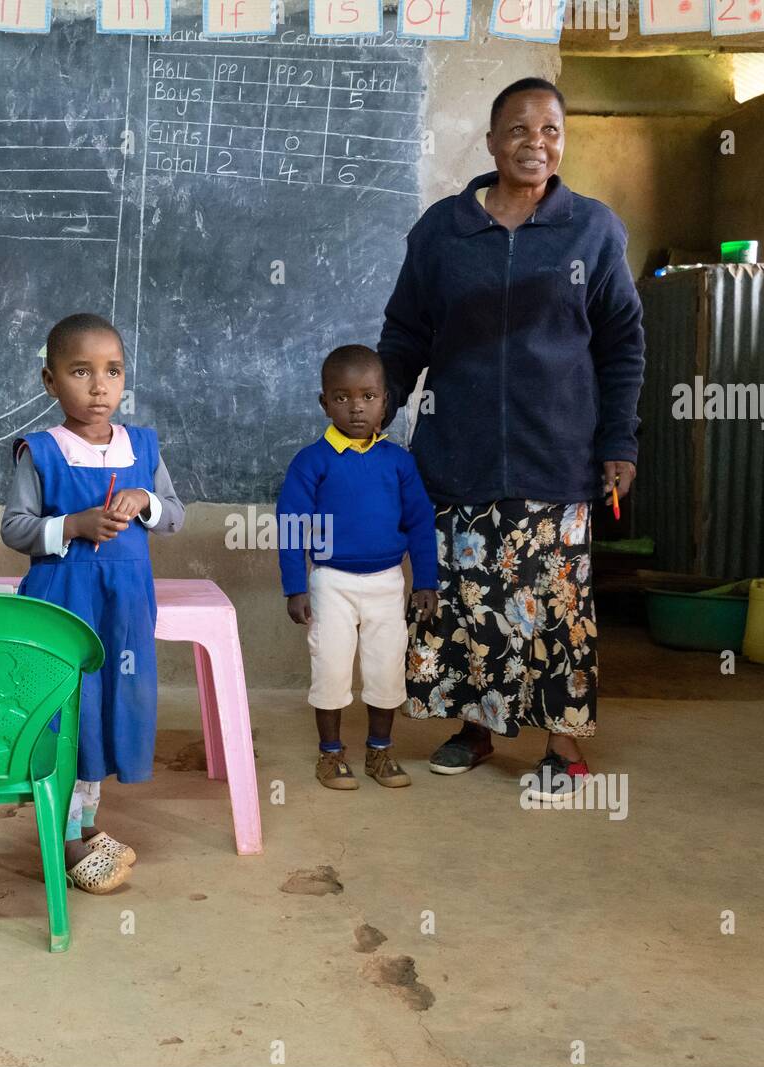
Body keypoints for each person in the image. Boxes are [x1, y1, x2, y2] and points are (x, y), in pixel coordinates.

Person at [377, 77, 645, 800]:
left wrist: (619, 442)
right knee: (465, 603)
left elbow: (623, 343)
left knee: (556, 610)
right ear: (492, 141)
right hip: (457, 452)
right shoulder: (443, 231)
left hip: (558, 456)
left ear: (563, 142)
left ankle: (564, 747)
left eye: (552, 130)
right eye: (520, 130)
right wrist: (378, 408)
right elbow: (405, 333)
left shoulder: (592, 229)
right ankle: (475, 728)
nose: (537, 143)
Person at [1, 313, 183, 891]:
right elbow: (13, 527)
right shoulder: (43, 452)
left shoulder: (143, 446)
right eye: (81, 372)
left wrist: (146, 500)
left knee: (109, 712)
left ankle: (84, 825)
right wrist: (73, 525)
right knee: (64, 715)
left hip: (124, 610)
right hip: (63, 602)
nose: (99, 386)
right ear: (50, 381)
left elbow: (175, 516)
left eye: (112, 371)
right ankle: (64, 841)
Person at [276, 345, 438, 790]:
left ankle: (380, 753)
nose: (356, 407)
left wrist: (425, 580)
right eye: (342, 397)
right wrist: (295, 586)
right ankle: (330, 756)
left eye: (368, 396)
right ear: (324, 402)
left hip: (388, 582)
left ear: (386, 400)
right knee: (330, 666)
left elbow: (422, 523)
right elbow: (291, 525)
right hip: (330, 582)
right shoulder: (313, 462)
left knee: (386, 668)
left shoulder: (399, 463)